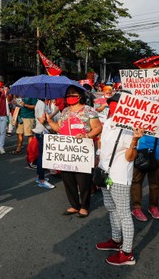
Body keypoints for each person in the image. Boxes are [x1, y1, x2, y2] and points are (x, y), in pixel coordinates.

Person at [95, 91, 144, 266]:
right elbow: (103, 147)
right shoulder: (109, 122)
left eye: (117, 103)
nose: (113, 105)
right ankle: (116, 241)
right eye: (112, 102)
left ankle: (127, 253)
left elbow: (130, 157)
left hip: (120, 177)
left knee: (124, 214)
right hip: (105, 175)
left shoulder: (132, 128)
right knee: (111, 208)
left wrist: (134, 141)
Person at [46, 85, 102, 217]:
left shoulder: (89, 111)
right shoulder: (64, 111)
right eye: (68, 95)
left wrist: (87, 136)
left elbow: (97, 128)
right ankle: (74, 205)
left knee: (83, 181)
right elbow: (59, 128)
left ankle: (84, 206)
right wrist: (47, 122)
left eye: (73, 94)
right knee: (68, 179)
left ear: (80, 96)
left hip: (82, 152)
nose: (70, 97)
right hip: (66, 153)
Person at [131, 101, 159, 221]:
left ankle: (153, 206)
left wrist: (158, 113)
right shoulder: (139, 111)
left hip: (158, 152)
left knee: (155, 183)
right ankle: (136, 207)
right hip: (141, 149)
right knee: (136, 180)